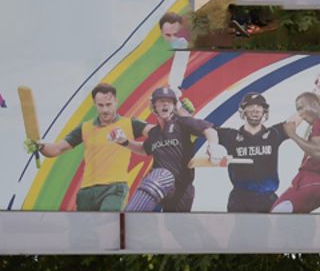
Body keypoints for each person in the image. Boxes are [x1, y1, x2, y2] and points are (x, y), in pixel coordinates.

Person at [31, 83, 148, 212]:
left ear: (116, 102)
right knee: (84, 231)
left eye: (109, 105)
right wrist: (40, 146)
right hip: (87, 191)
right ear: (95, 104)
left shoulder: (129, 123)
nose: (105, 110)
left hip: (114, 188)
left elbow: (155, 131)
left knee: (108, 222)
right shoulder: (85, 128)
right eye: (101, 105)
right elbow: (57, 149)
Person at [124, 86, 225, 212]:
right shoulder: (154, 132)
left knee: (177, 228)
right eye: (161, 101)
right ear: (154, 106)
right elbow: (144, 149)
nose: (165, 103)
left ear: (174, 106)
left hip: (181, 190)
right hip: (158, 187)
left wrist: (213, 145)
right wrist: (125, 142)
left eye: (169, 101)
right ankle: (128, 220)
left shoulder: (182, 123)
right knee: (157, 179)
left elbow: (209, 130)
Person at [218, 92, 291, 213]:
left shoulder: (273, 134)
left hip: (267, 198)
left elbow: (297, 118)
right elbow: (204, 128)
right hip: (240, 199)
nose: (255, 109)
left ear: (264, 111)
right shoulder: (231, 135)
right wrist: (211, 147)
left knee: (270, 231)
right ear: (243, 110)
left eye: (259, 106)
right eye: (251, 106)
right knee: (241, 231)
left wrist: (317, 92)